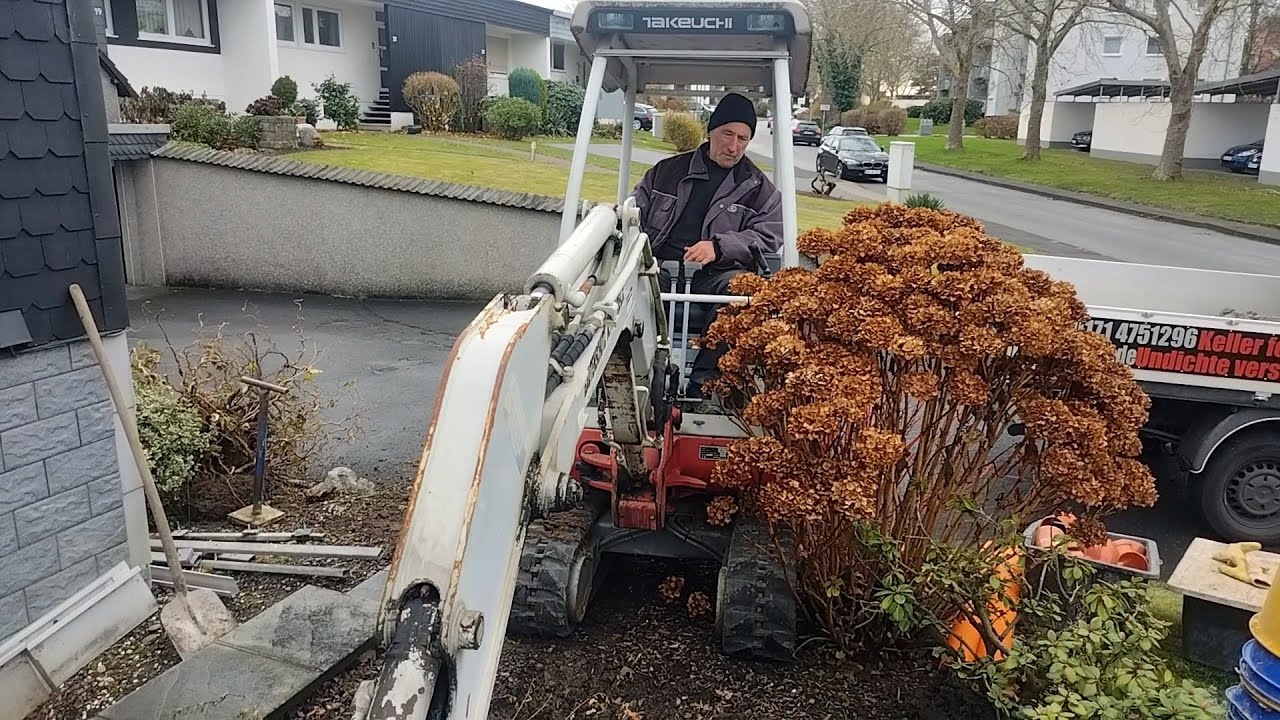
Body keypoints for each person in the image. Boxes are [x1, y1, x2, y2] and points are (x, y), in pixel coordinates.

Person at [629, 92, 783, 400]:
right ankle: (638, 380)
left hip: (717, 276)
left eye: (743, 138)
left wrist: (719, 247)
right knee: (625, 288)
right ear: (711, 130)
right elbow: (632, 216)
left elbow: (769, 235)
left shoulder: (760, 190)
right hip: (658, 271)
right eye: (727, 134)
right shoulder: (665, 173)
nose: (734, 146)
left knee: (742, 290)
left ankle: (704, 388)